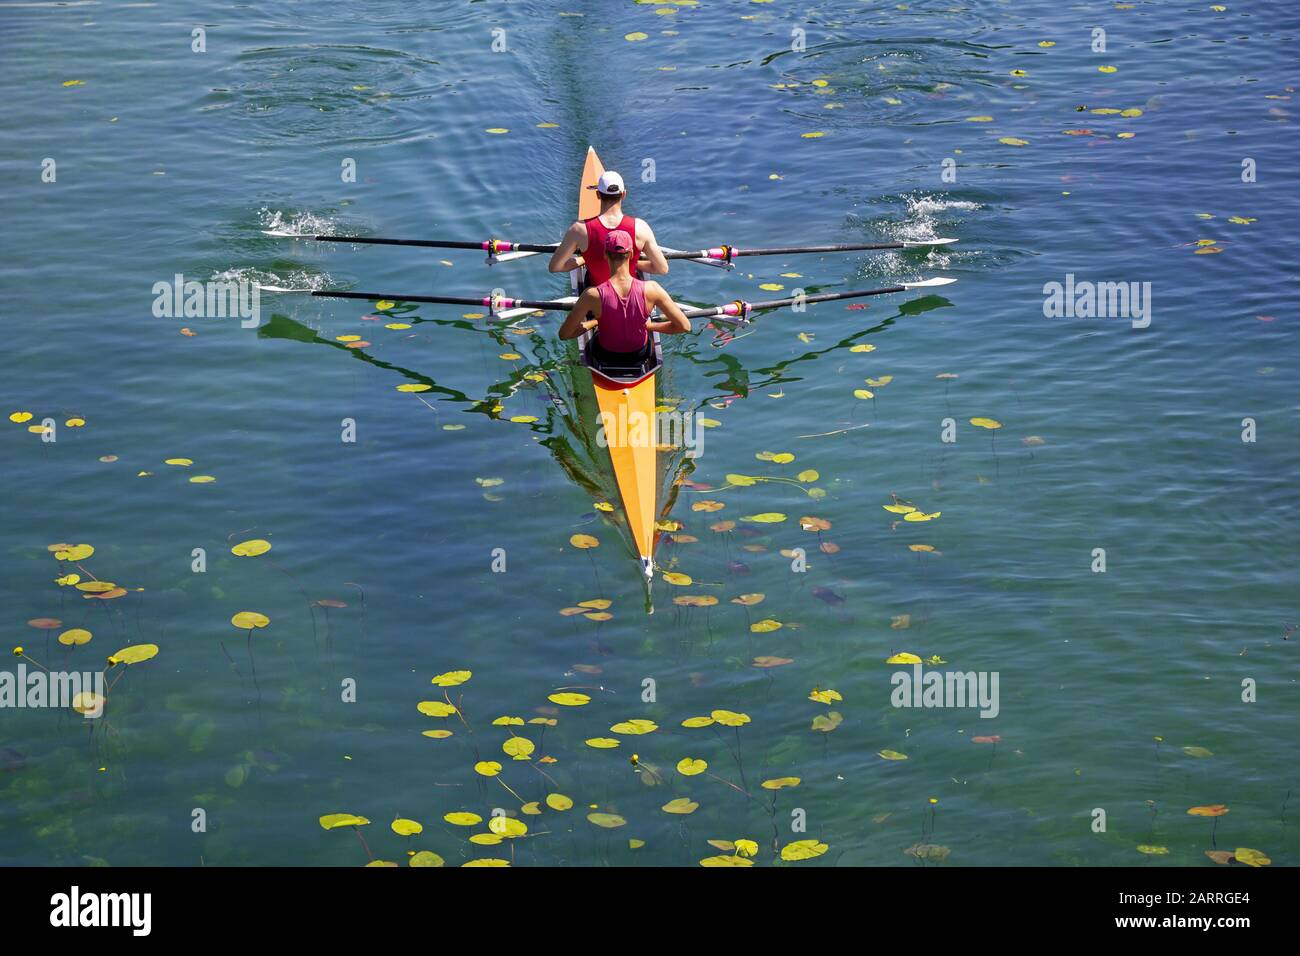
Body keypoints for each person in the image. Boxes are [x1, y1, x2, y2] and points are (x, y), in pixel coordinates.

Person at [558, 230, 690, 358]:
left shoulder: (592, 295)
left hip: (605, 353)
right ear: (631, 254)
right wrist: (650, 326)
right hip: (640, 354)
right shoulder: (653, 289)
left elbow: (565, 334)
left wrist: (594, 322)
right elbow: (684, 326)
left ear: (605, 254)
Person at [548, 168, 670, 285]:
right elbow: (662, 269)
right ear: (623, 194)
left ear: (598, 195)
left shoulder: (579, 229)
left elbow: (555, 267)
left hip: (598, 300)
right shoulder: (641, 227)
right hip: (629, 298)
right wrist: (632, 262)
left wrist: (584, 260)